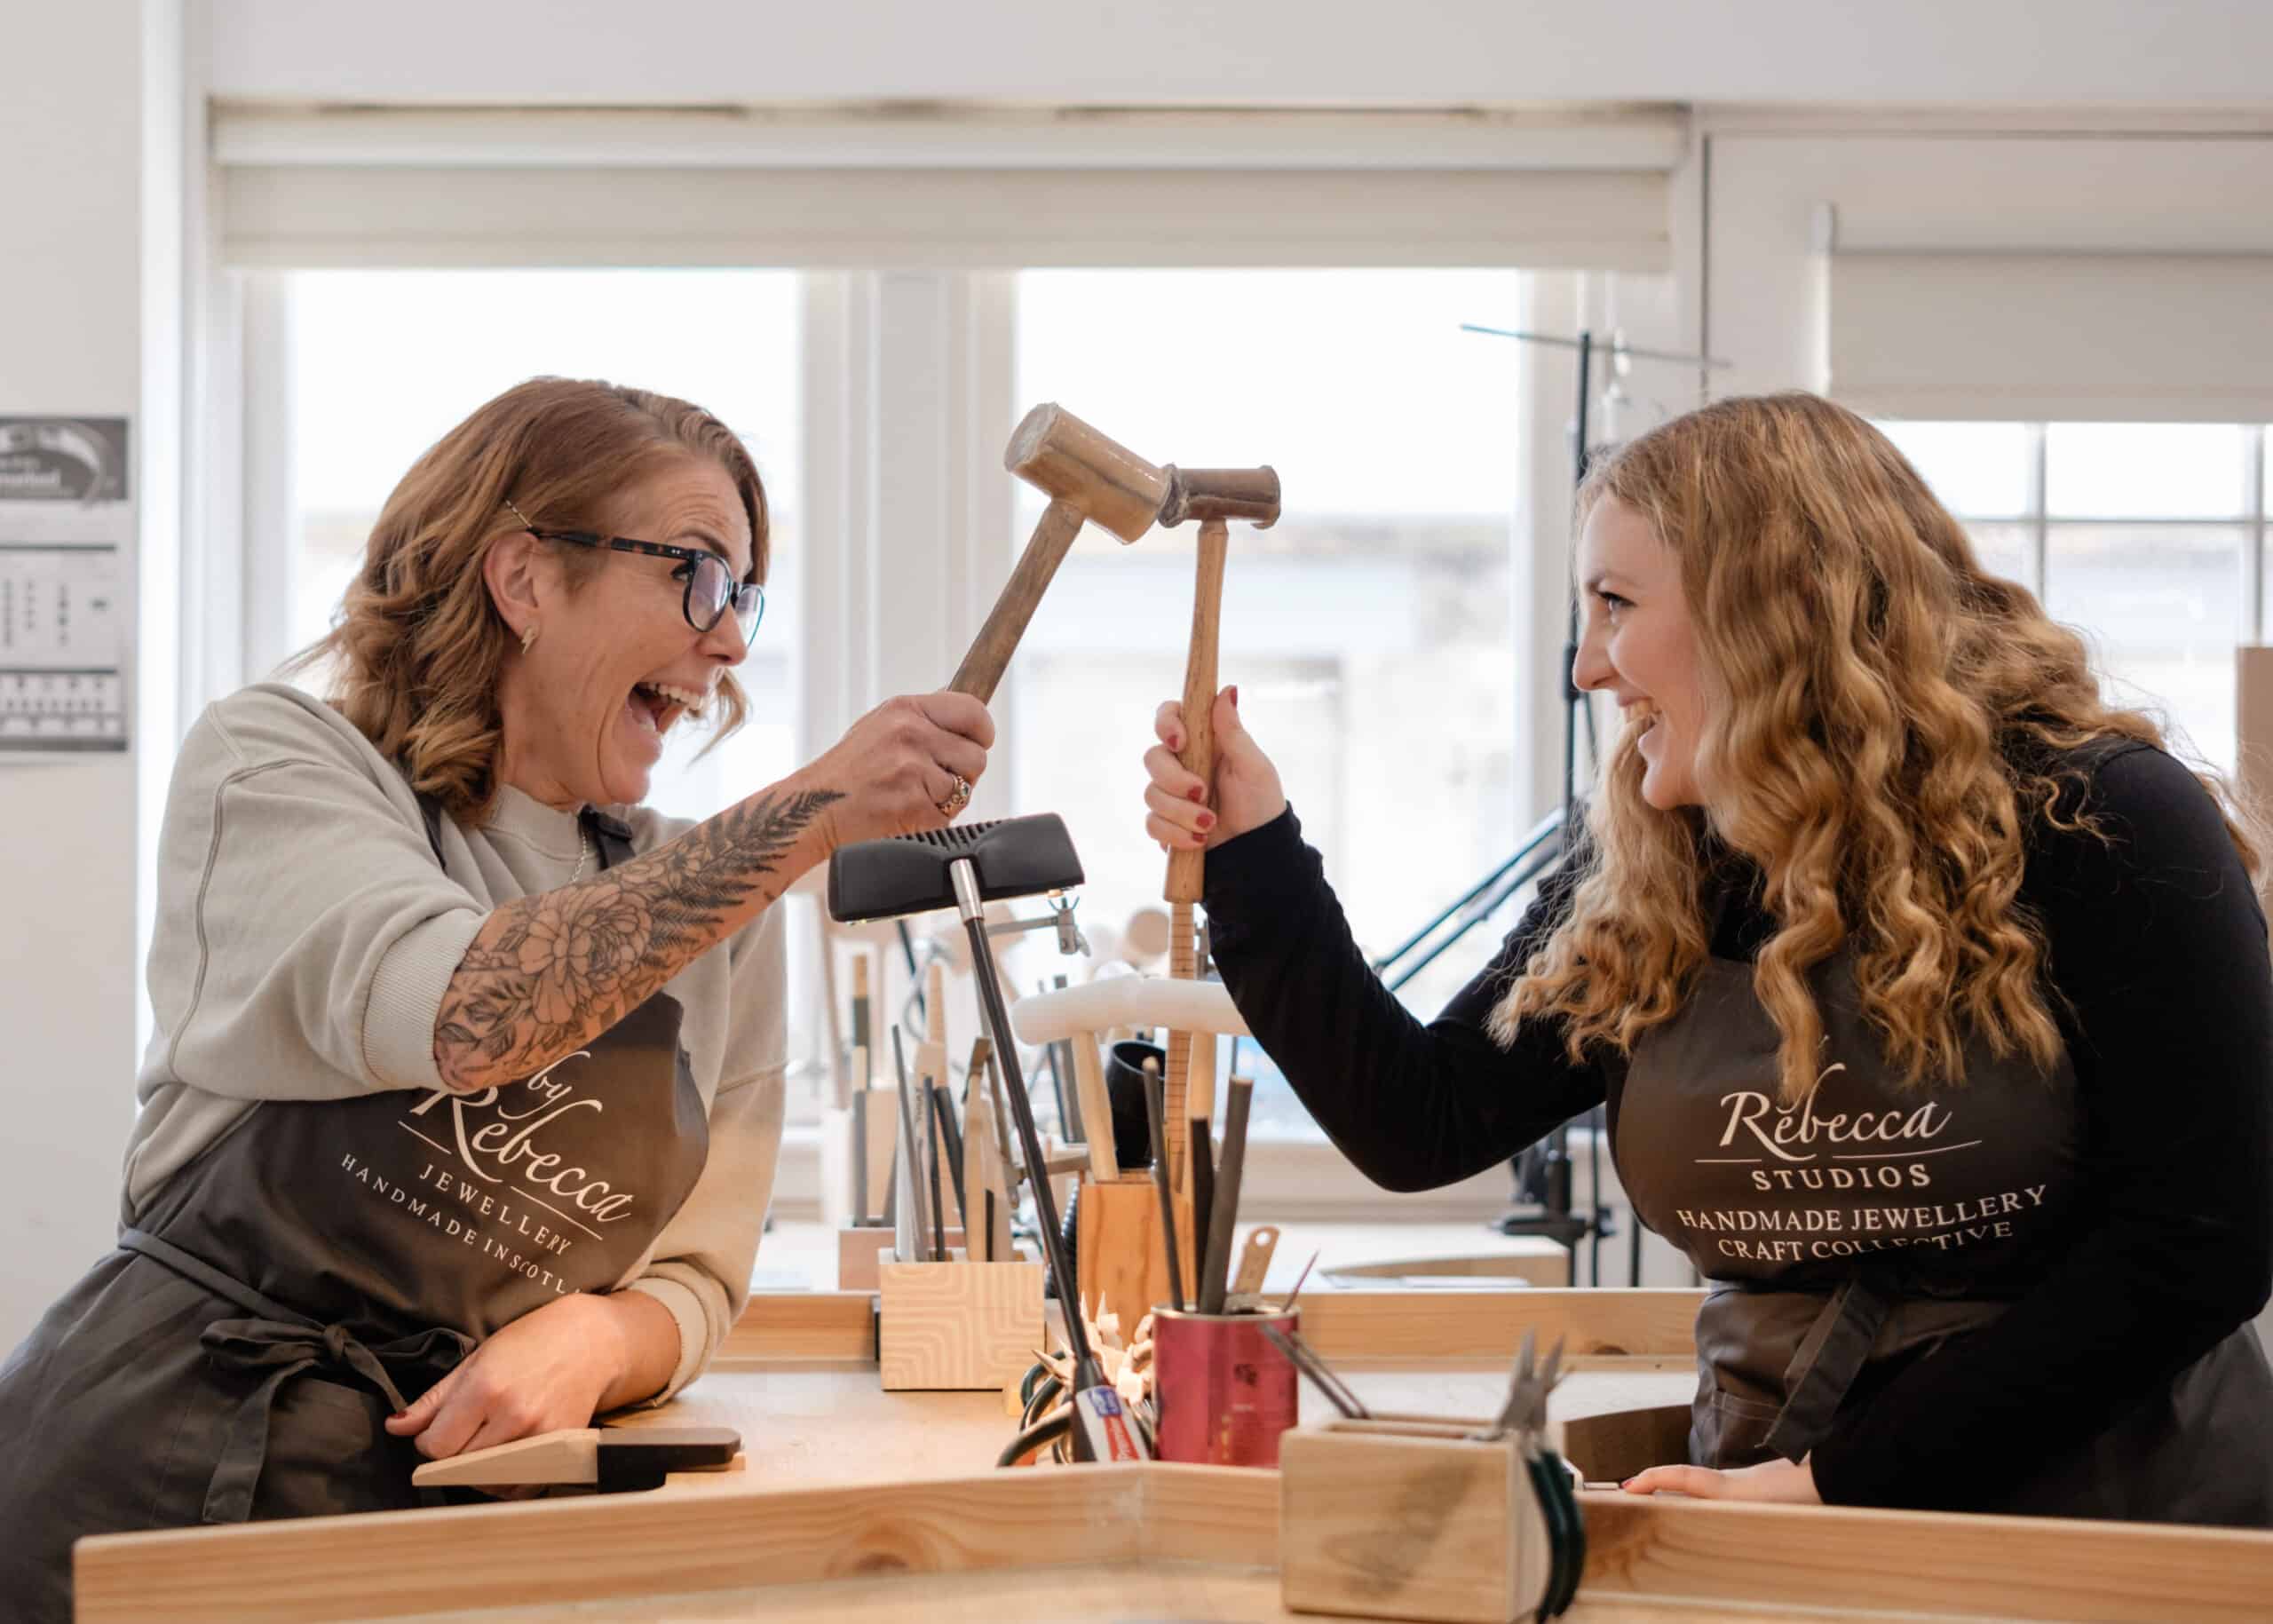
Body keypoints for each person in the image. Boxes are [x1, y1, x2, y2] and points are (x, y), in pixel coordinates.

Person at [1141, 392, 2273, 1525]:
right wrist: (1254, 853)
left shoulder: (2101, 818)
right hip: (1767, 1500)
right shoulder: (1657, 862)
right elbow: (1418, 1118)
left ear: (1770, 608)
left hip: (2109, 1521)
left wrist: (1842, 1481)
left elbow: (2201, 1240)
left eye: (1616, 603)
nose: (1588, 667)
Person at [0, 376, 994, 1618]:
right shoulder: (279, 767)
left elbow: (698, 1277)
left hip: (460, 1506)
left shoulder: (722, 912)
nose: (732, 641)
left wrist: (599, 1339)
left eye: (743, 593)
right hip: (150, 1481)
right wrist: (806, 816)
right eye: (697, 574)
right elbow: (467, 1011)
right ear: (524, 579)